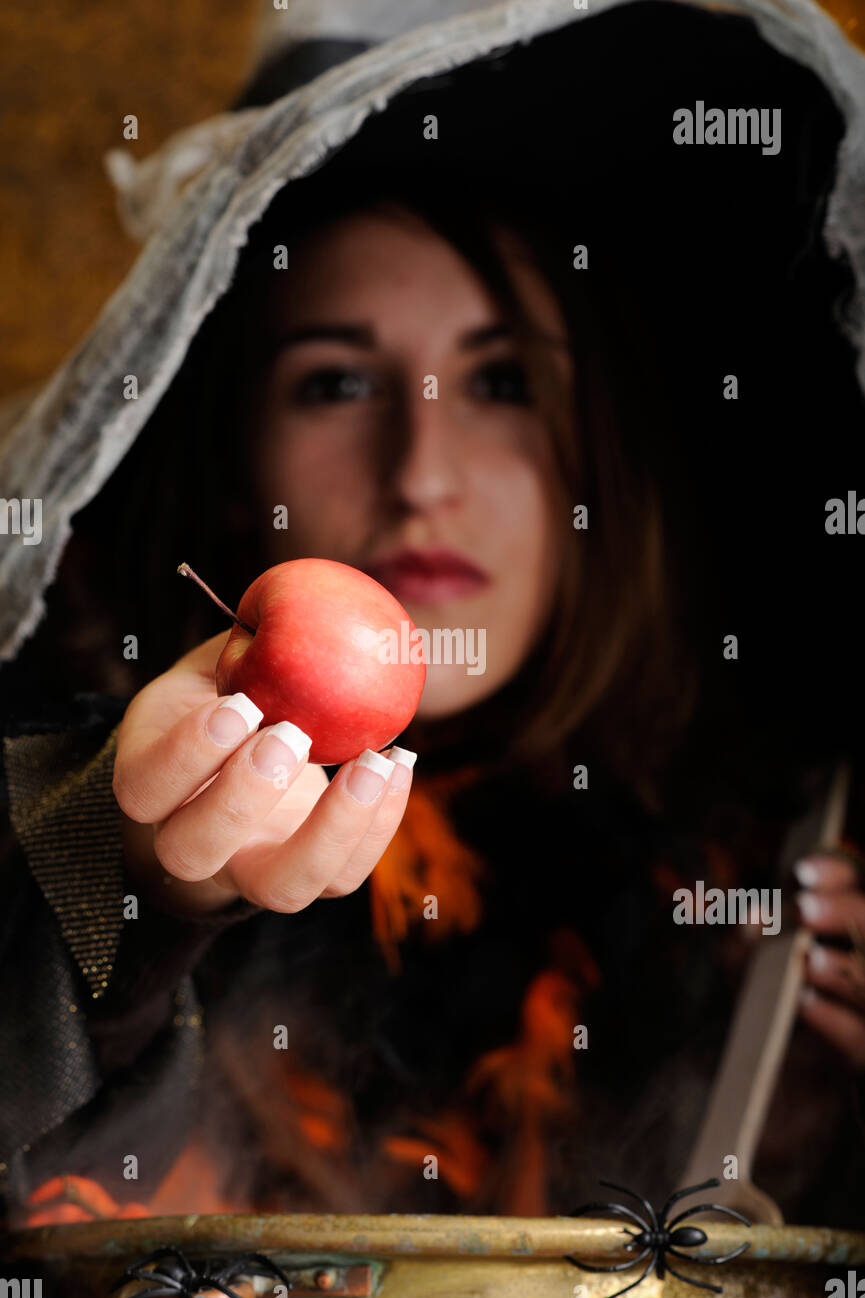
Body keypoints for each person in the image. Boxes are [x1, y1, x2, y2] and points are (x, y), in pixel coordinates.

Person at [2, 0, 865, 1230]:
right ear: (236, 458)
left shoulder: (759, 860)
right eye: (336, 381)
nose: (422, 473)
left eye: (501, 379)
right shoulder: (66, 795)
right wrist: (123, 905)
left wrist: (794, 1126)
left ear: (597, 451)